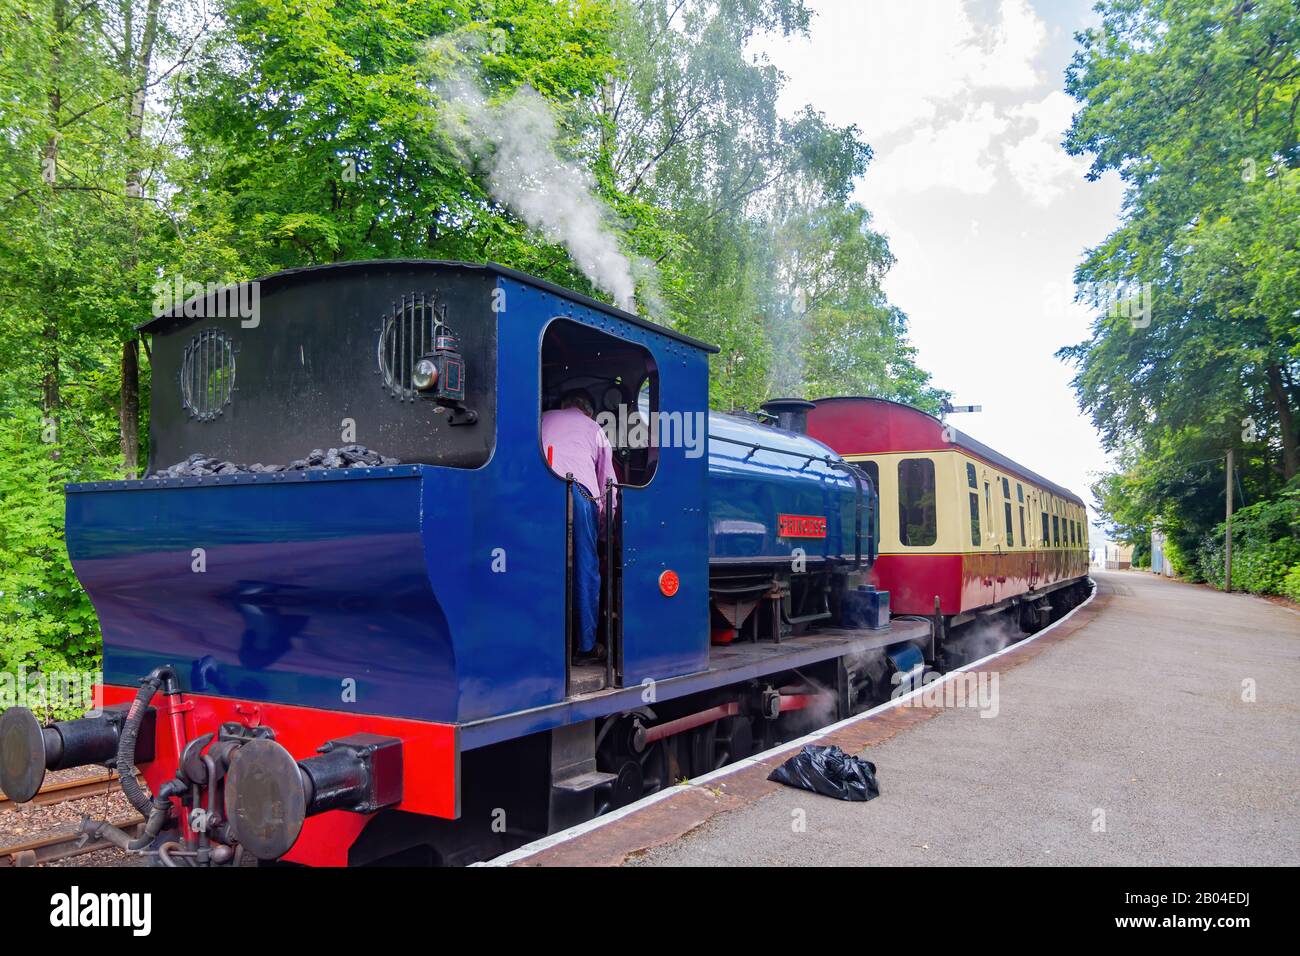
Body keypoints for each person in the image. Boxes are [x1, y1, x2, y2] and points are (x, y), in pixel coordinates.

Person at [542, 390, 617, 663]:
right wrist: (605, 528)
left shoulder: (542, 418)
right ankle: (585, 648)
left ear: (564, 405)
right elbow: (607, 482)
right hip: (579, 492)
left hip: (540, 490)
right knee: (586, 568)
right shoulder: (595, 428)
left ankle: (542, 641)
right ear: (588, 412)